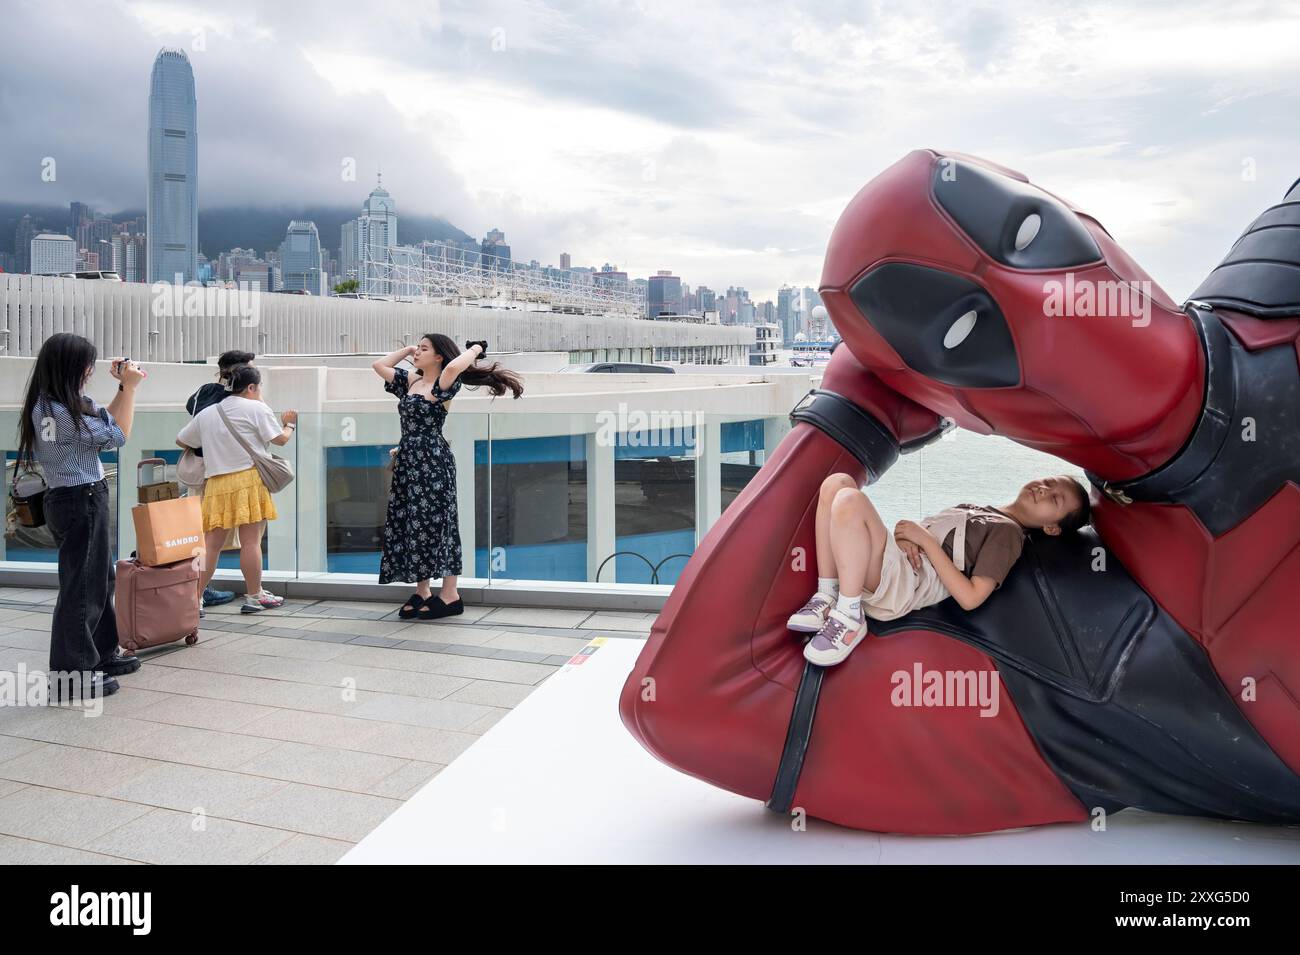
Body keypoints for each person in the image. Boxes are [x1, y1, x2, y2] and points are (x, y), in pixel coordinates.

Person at [789, 474, 1091, 666]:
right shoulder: (976, 507)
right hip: (899, 565)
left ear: (1052, 527)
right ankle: (827, 596)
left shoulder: (1008, 533)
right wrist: (906, 537)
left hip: (906, 585)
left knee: (850, 499)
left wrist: (925, 541)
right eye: (1048, 482)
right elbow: (920, 534)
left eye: (1054, 498)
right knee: (835, 484)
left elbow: (971, 597)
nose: (1043, 489)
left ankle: (850, 615)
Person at [17, 334, 145, 699]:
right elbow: (118, 435)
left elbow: (106, 421)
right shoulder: (57, 411)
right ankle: (71, 673)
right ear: (71, 366)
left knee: (98, 581)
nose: (90, 371)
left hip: (78, 497)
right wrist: (131, 390)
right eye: (86, 364)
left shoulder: (55, 404)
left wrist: (124, 386)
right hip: (79, 498)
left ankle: (101, 654)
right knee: (82, 588)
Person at [371, 335, 523, 620]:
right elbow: (378, 365)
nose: (418, 352)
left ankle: (451, 594)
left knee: (439, 523)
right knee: (412, 523)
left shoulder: (445, 382)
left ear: (439, 356)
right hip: (408, 461)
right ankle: (423, 591)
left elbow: (454, 368)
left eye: (424, 348)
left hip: (433, 461)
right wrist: (407, 349)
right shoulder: (411, 382)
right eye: (418, 347)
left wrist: (476, 349)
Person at [176, 364, 296, 614]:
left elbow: (182, 440)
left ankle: (194, 599)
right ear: (252, 387)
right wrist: (289, 424)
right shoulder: (256, 408)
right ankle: (254, 596)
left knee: (210, 545)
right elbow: (280, 440)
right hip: (248, 480)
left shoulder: (209, 413)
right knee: (250, 543)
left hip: (217, 482)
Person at [184, 350, 255, 609]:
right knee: (220, 540)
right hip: (229, 476)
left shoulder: (205, 392)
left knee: (202, 538)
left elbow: (190, 410)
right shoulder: (239, 400)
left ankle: (196, 592)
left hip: (203, 472)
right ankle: (199, 591)